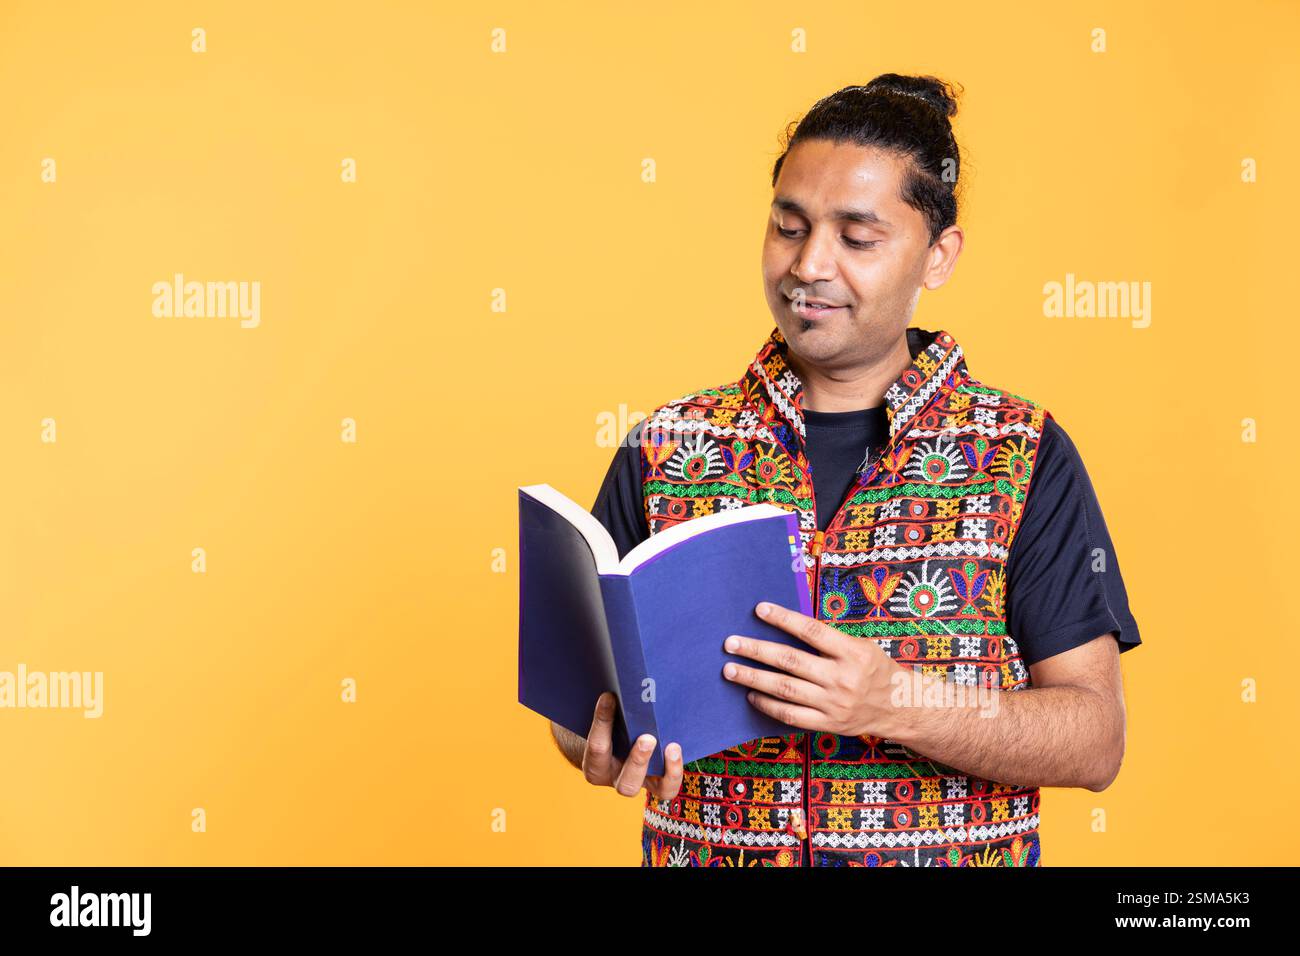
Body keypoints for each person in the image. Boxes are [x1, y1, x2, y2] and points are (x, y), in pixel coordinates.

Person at [548, 73, 1141, 867]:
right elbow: (584, 705)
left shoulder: (1022, 452)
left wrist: (896, 700)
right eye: (789, 227)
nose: (809, 266)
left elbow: (1095, 739)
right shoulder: (666, 445)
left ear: (938, 256)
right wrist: (593, 735)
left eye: (857, 239)